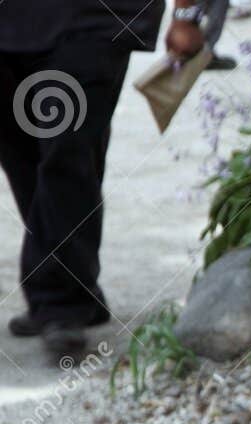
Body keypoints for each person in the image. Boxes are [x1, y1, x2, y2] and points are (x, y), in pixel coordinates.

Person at [0, 1, 195, 359]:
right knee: (22, 152)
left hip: (95, 17)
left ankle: (60, 302)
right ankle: (72, 280)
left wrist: (188, 14)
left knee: (68, 150)